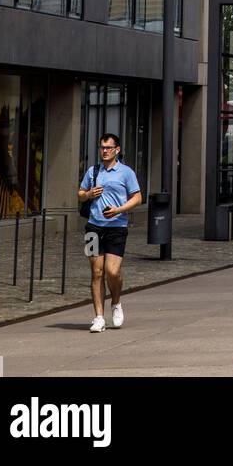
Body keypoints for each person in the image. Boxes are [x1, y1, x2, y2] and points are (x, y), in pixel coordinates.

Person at [77, 132, 142, 333]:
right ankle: (98, 317)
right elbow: (80, 195)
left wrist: (119, 210)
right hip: (93, 227)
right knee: (96, 273)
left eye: (108, 148)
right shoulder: (93, 171)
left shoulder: (126, 172)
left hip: (117, 227)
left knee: (112, 272)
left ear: (117, 150)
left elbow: (138, 197)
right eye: (102, 148)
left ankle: (116, 303)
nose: (105, 151)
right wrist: (87, 194)